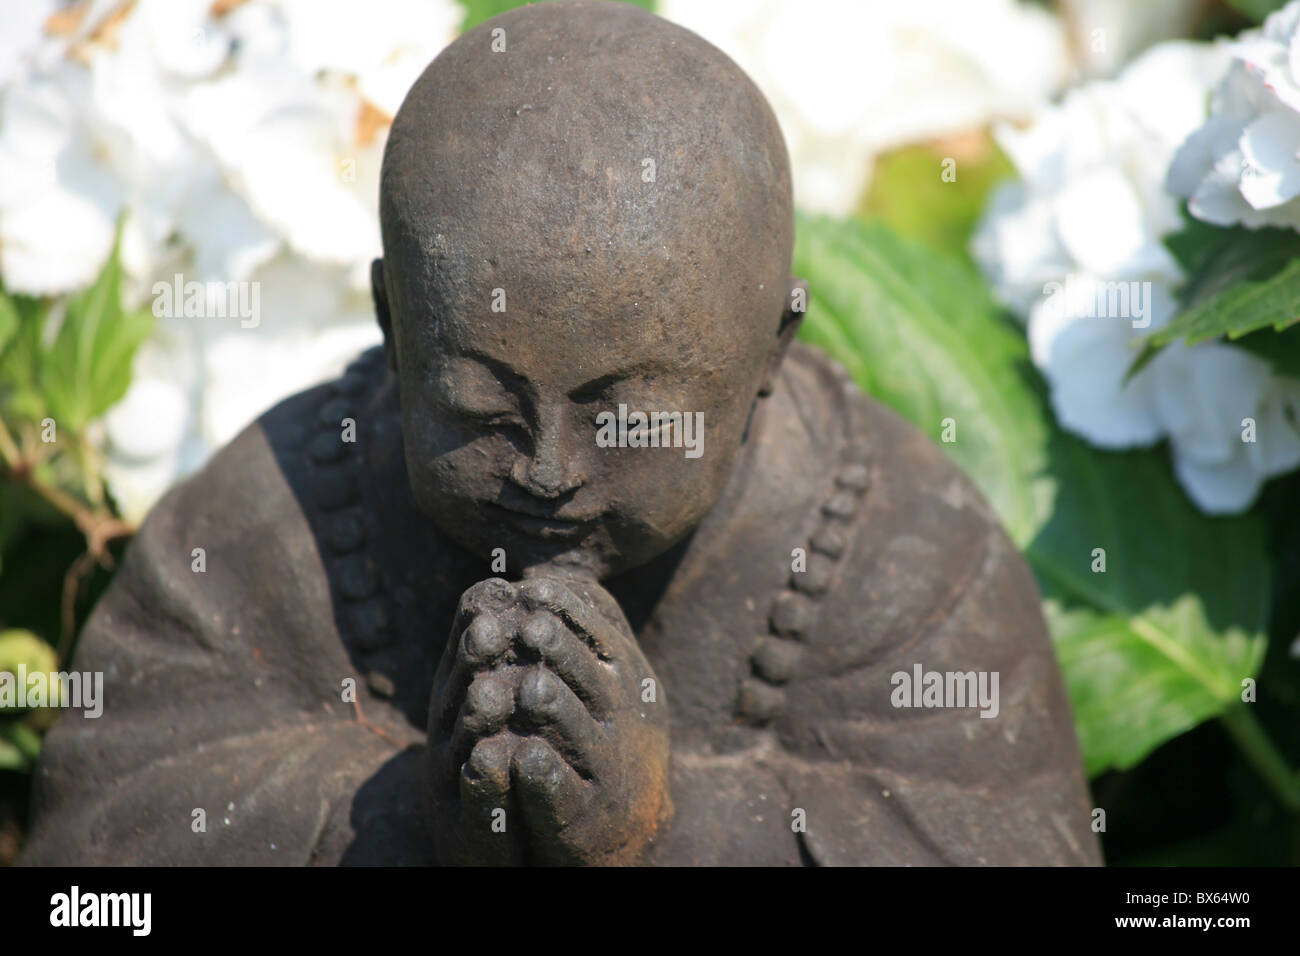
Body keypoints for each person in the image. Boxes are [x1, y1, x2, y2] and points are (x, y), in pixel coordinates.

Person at [24, 1, 1100, 866]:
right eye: (483, 410)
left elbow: (1011, 840)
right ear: (396, 327)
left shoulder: (899, 551)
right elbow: (99, 847)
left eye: (626, 415)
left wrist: (661, 824)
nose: (546, 471)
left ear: (769, 353)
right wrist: (411, 814)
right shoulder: (275, 524)